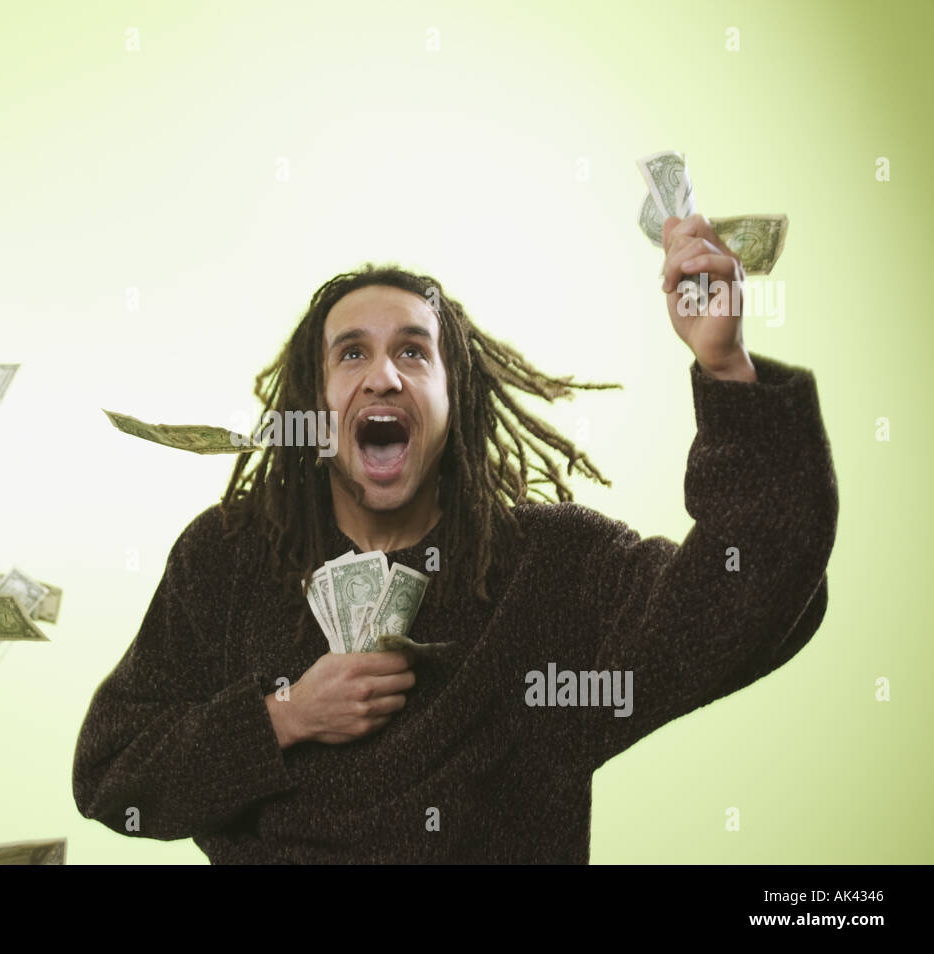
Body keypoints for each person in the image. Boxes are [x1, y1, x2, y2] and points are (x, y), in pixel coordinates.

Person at [73, 214, 839, 863]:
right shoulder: (227, 558)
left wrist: (724, 364)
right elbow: (111, 773)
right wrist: (284, 717)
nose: (384, 378)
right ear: (313, 401)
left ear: (453, 396)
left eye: (413, 351)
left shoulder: (554, 568)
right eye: (351, 354)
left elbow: (749, 599)